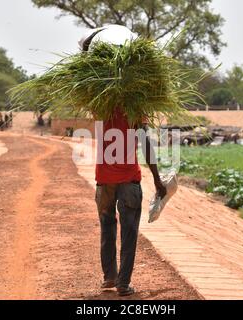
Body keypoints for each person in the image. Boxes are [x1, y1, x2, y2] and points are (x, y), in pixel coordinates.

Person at [80, 25, 167, 297]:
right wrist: (157, 178)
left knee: (107, 228)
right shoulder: (135, 107)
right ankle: (123, 284)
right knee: (129, 233)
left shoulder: (98, 104)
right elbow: (146, 144)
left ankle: (109, 278)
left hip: (104, 179)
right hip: (129, 180)